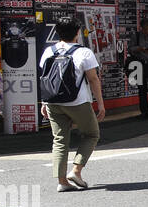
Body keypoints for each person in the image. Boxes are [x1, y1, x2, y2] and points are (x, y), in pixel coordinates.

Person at [39, 18, 104, 193]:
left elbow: (45, 79)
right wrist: (100, 103)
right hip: (78, 101)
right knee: (91, 134)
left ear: (58, 33)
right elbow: (93, 79)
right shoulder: (84, 53)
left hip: (53, 102)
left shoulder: (48, 51)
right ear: (77, 33)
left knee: (60, 140)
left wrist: (44, 102)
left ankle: (62, 181)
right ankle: (76, 171)